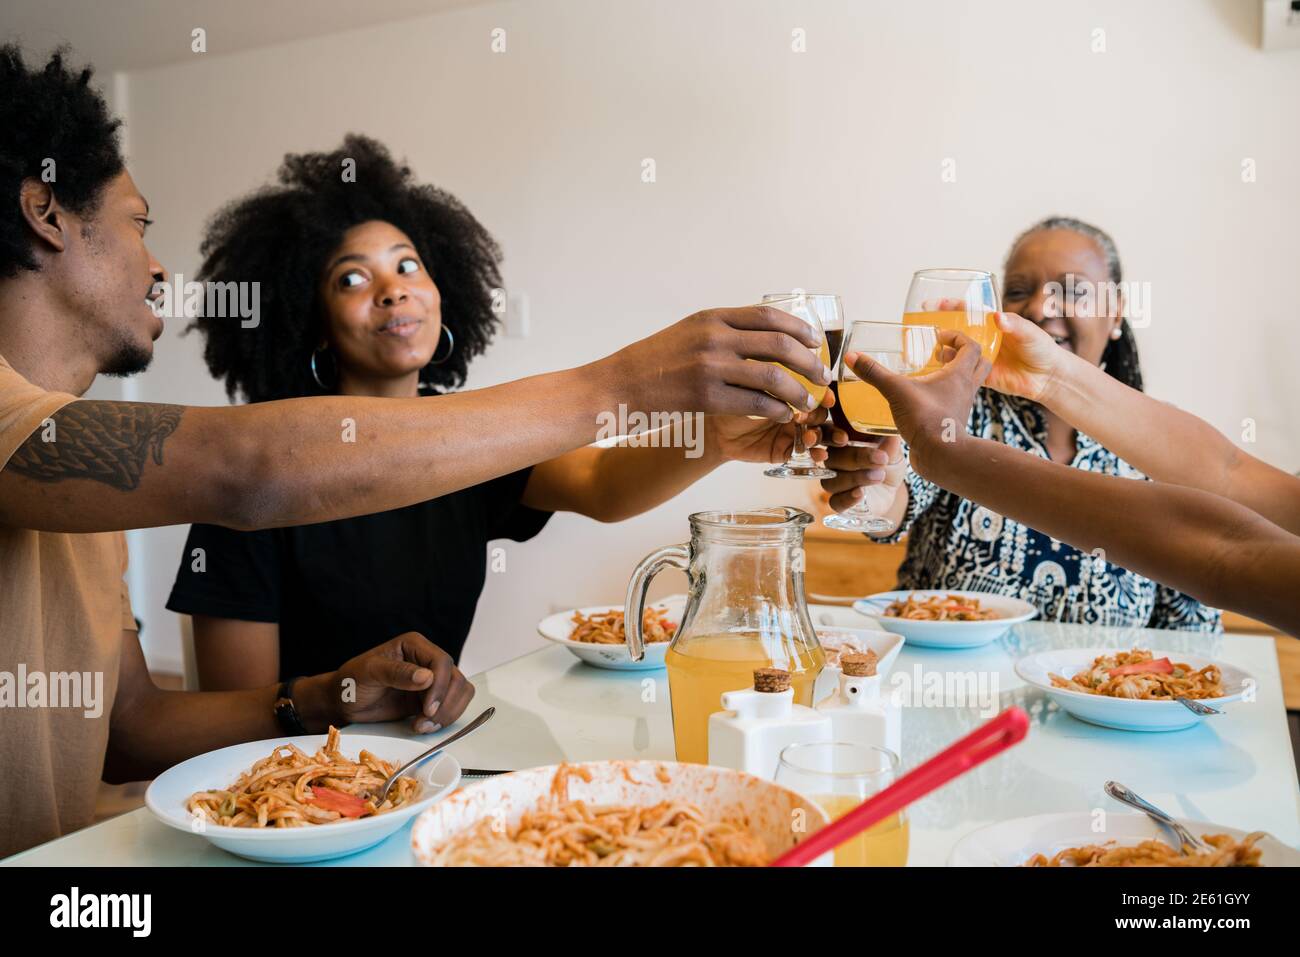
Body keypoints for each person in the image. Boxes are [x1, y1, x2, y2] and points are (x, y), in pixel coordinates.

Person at [0, 46, 830, 856]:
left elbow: (129, 729)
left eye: (408, 265)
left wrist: (328, 696)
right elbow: (252, 474)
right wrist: (624, 383)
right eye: (139, 224)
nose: (157, 266)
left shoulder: (86, 483)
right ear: (47, 214)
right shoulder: (90, 443)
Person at [165, 135, 833, 691]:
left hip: (436, 763)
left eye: (407, 265)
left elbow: (601, 485)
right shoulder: (259, 472)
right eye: (352, 278)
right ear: (310, 324)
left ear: (442, 289)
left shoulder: (467, 441)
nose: (394, 288)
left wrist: (718, 437)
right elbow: (238, 722)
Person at [820, 217, 1220, 631]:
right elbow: (897, 498)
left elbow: (1192, 630)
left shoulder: (1159, 444)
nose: (1039, 308)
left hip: (1103, 693)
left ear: (1116, 312)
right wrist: (878, 491)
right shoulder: (960, 406)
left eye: (1072, 291)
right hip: (951, 687)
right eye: (1017, 291)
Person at [833, 325, 1300, 637]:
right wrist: (1053, 376)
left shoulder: (951, 430)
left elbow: (1222, 553)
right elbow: (1226, 472)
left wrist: (947, 454)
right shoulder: (969, 412)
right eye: (1020, 290)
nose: (1043, 305)